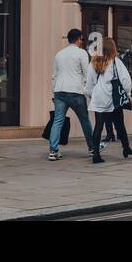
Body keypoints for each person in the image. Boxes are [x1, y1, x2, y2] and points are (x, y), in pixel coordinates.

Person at [47, 28, 96, 162]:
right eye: (81, 39)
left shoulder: (59, 54)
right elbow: (87, 74)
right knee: (84, 120)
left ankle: (53, 150)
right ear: (78, 39)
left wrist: (54, 91)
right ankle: (92, 148)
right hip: (75, 91)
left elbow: (54, 75)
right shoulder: (81, 53)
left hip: (59, 91)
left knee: (58, 120)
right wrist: (89, 91)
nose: (82, 41)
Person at [85, 37, 132, 163]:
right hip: (112, 97)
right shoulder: (116, 62)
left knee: (98, 126)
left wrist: (93, 96)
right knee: (119, 124)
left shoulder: (93, 62)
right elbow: (126, 81)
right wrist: (128, 95)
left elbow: (89, 83)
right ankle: (126, 148)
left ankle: (96, 154)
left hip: (98, 97)